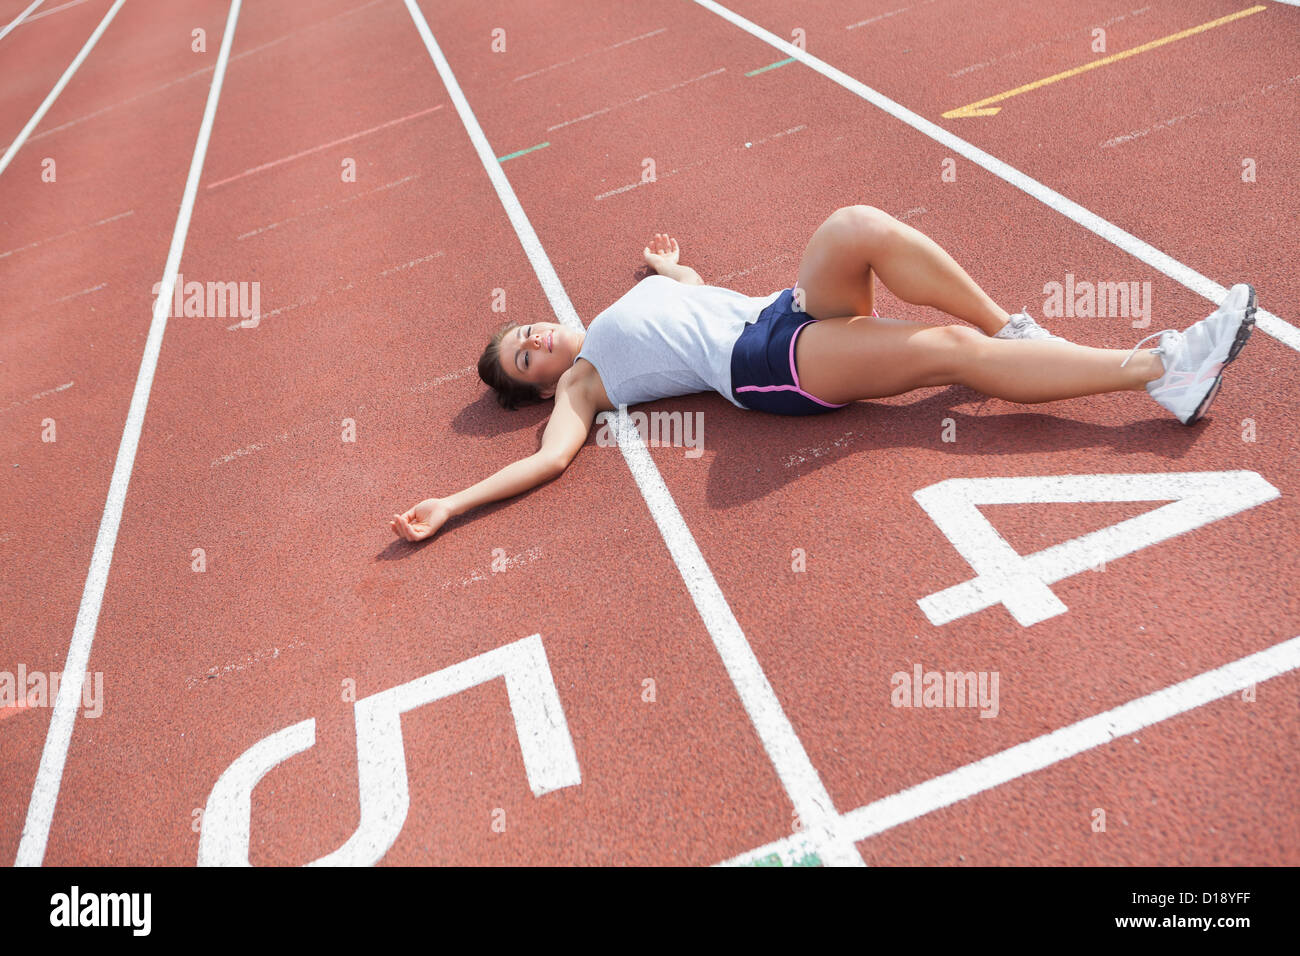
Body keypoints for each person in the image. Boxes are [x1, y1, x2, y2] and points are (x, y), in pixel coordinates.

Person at [390, 205, 1255, 542]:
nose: (538, 338)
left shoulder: (623, 305)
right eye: (526, 355)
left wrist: (666, 265)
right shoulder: (583, 386)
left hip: (780, 312)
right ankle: (1164, 369)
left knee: (855, 226)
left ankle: (1014, 331)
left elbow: (691, 293)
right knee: (942, 354)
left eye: (526, 330)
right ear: (538, 385)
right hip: (769, 366)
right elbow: (548, 461)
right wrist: (451, 505)